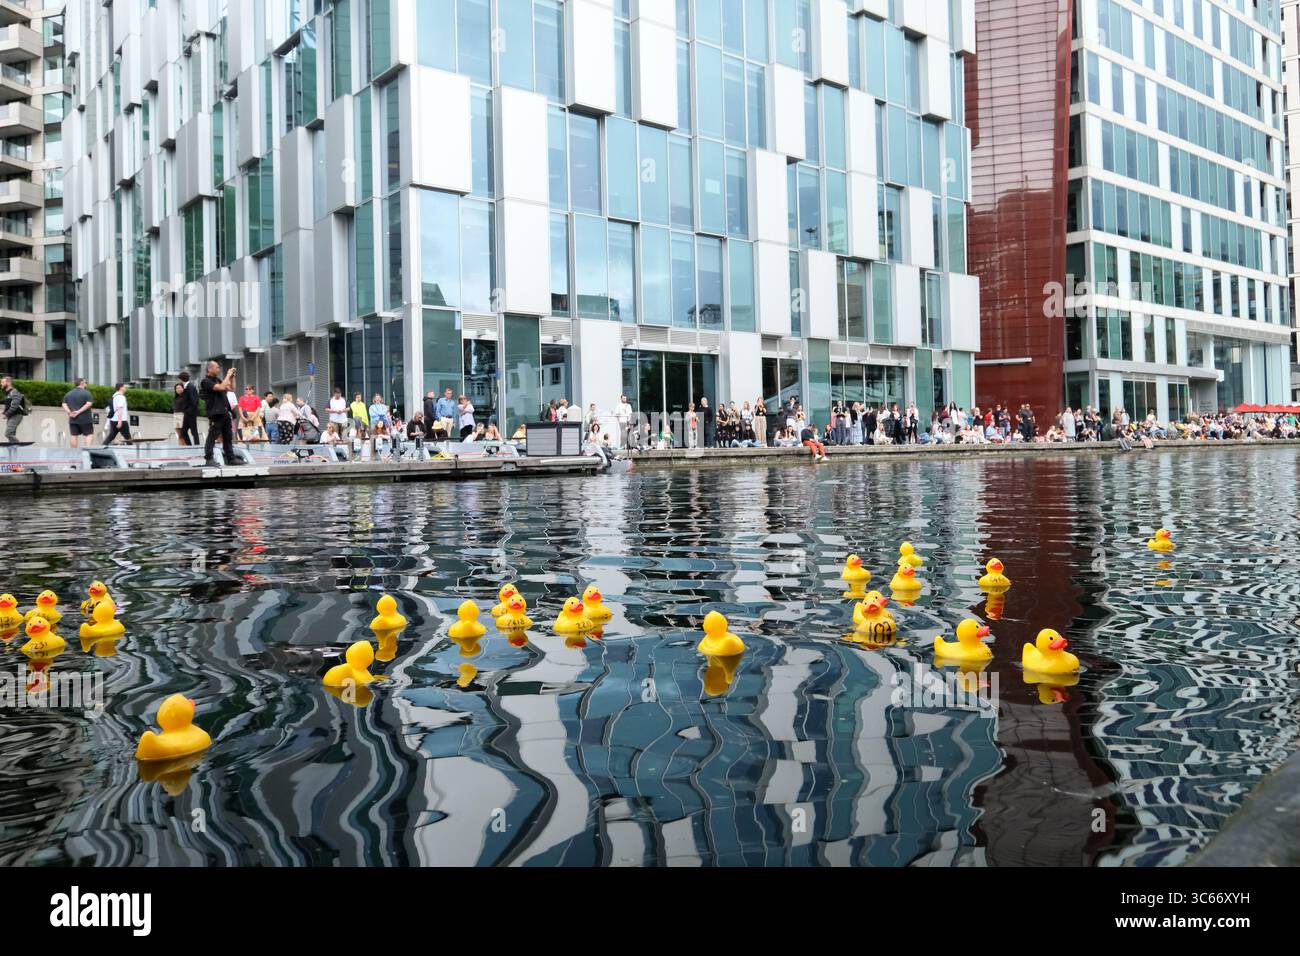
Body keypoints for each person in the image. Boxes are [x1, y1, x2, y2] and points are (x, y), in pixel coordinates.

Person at [200, 360, 237, 466]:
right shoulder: (206, 381)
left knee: (228, 436)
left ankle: (231, 458)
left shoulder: (217, 379)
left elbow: (231, 388)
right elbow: (220, 387)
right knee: (213, 435)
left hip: (225, 411)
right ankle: (209, 458)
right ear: (209, 369)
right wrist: (228, 374)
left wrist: (232, 377)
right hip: (215, 412)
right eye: (216, 367)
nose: (218, 369)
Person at [62, 378, 95, 448]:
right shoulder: (87, 393)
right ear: (82, 383)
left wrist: (69, 412)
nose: (86, 384)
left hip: (73, 419)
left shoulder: (68, 394)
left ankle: (73, 453)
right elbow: (89, 404)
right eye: (86, 382)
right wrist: (78, 411)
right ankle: (87, 450)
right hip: (86, 419)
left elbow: (64, 404)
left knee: (73, 435)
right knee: (89, 435)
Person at [1, 376, 27, 443]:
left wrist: (6, 414)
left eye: (3, 382)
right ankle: (13, 449)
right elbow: (10, 405)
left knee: (8, 434)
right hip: (12, 416)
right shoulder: (8, 394)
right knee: (11, 434)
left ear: (9, 383)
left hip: (16, 416)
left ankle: (19, 446)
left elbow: (15, 405)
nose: (1, 384)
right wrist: (4, 411)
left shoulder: (14, 392)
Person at [176, 371, 200, 445]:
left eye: (179, 379)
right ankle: (190, 446)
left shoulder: (190, 387)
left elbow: (194, 401)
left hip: (190, 414)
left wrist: (188, 411)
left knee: (194, 432)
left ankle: (196, 447)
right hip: (187, 414)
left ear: (181, 379)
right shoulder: (187, 387)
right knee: (183, 432)